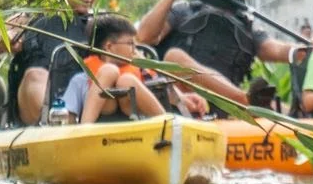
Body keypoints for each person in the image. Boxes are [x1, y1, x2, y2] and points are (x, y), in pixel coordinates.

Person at [135, 0, 293, 107]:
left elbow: (274, 49)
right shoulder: (184, 11)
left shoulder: (248, 28)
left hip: (222, 110)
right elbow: (143, 37)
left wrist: (304, 51)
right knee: (173, 57)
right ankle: (243, 101)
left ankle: (244, 103)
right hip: (180, 104)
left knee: (283, 109)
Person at [60, 13, 208, 124]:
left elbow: (162, 91)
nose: (135, 49)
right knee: (109, 71)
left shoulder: (140, 73)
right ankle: (85, 128)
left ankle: (169, 125)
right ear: (109, 47)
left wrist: (183, 98)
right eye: (130, 44)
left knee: (126, 80)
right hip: (99, 132)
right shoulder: (80, 81)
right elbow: (69, 115)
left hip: (140, 131)